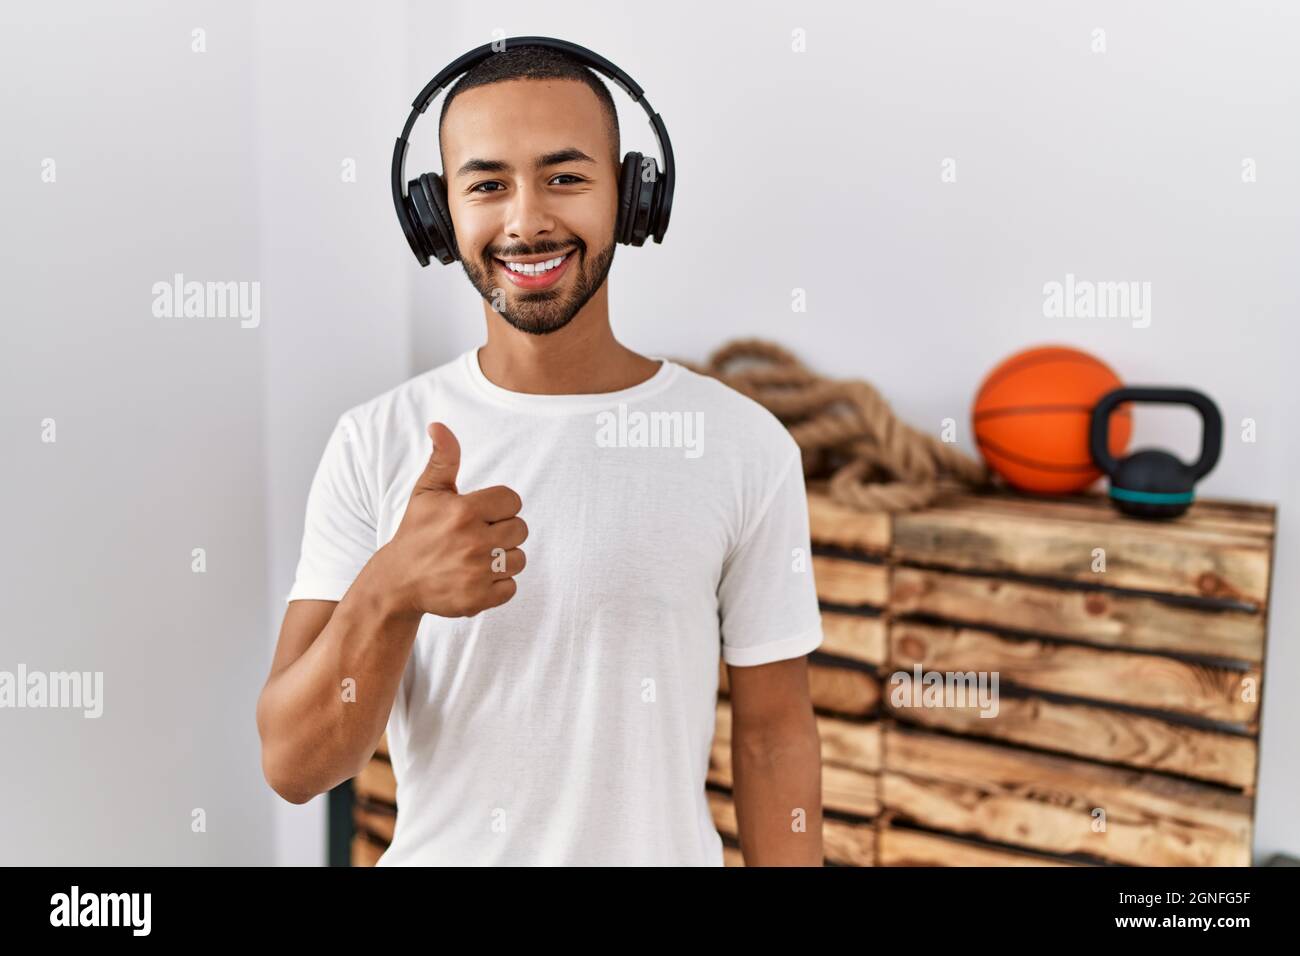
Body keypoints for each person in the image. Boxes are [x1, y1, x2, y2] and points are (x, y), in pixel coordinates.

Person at [256, 42, 825, 866]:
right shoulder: (374, 442)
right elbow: (296, 766)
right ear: (436, 214)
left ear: (632, 198)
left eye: (564, 177)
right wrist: (392, 588)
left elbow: (774, 740)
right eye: (487, 185)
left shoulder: (742, 445)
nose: (526, 220)